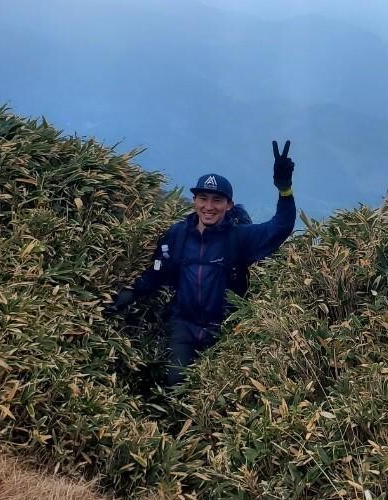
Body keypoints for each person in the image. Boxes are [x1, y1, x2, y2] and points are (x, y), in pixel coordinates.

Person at [107, 140, 296, 386]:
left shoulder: (240, 237)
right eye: (203, 198)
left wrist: (285, 189)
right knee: (175, 385)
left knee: (217, 390)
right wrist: (126, 295)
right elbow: (156, 272)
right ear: (194, 201)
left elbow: (281, 226)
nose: (209, 207)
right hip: (183, 326)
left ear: (229, 205)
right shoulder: (177, 235)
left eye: (217, 200)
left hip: (226, 329)